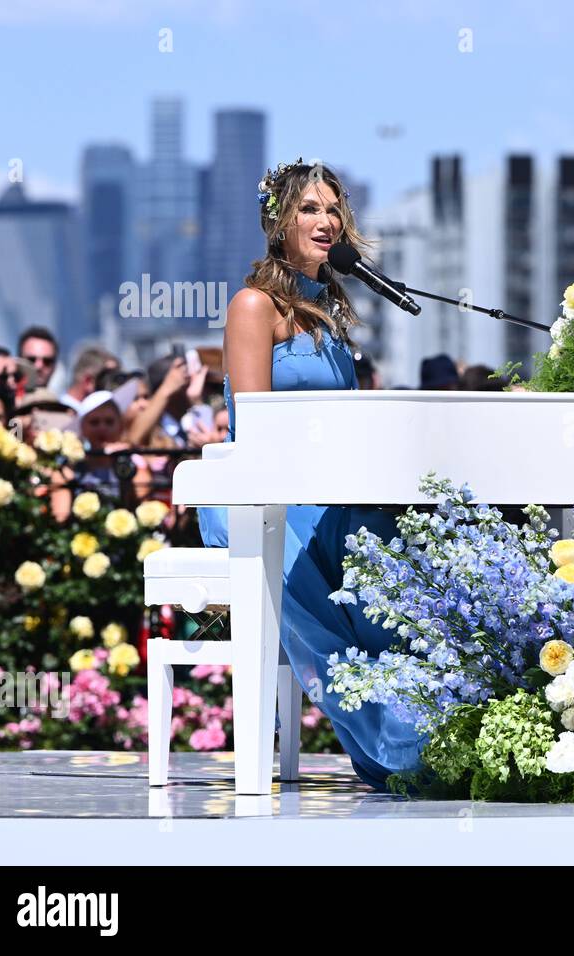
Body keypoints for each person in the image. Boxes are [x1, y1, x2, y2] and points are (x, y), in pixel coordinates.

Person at [197, 158, 424, 792]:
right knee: (319, 603)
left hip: (331, 492)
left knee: (393, 568)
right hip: (260, 495)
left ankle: (432, 720)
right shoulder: (253, 306)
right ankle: (401, 748)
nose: (324, 222)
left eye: (332, 211)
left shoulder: (332, 314)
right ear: (279, 223)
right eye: (308, 210)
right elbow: (255, 423)